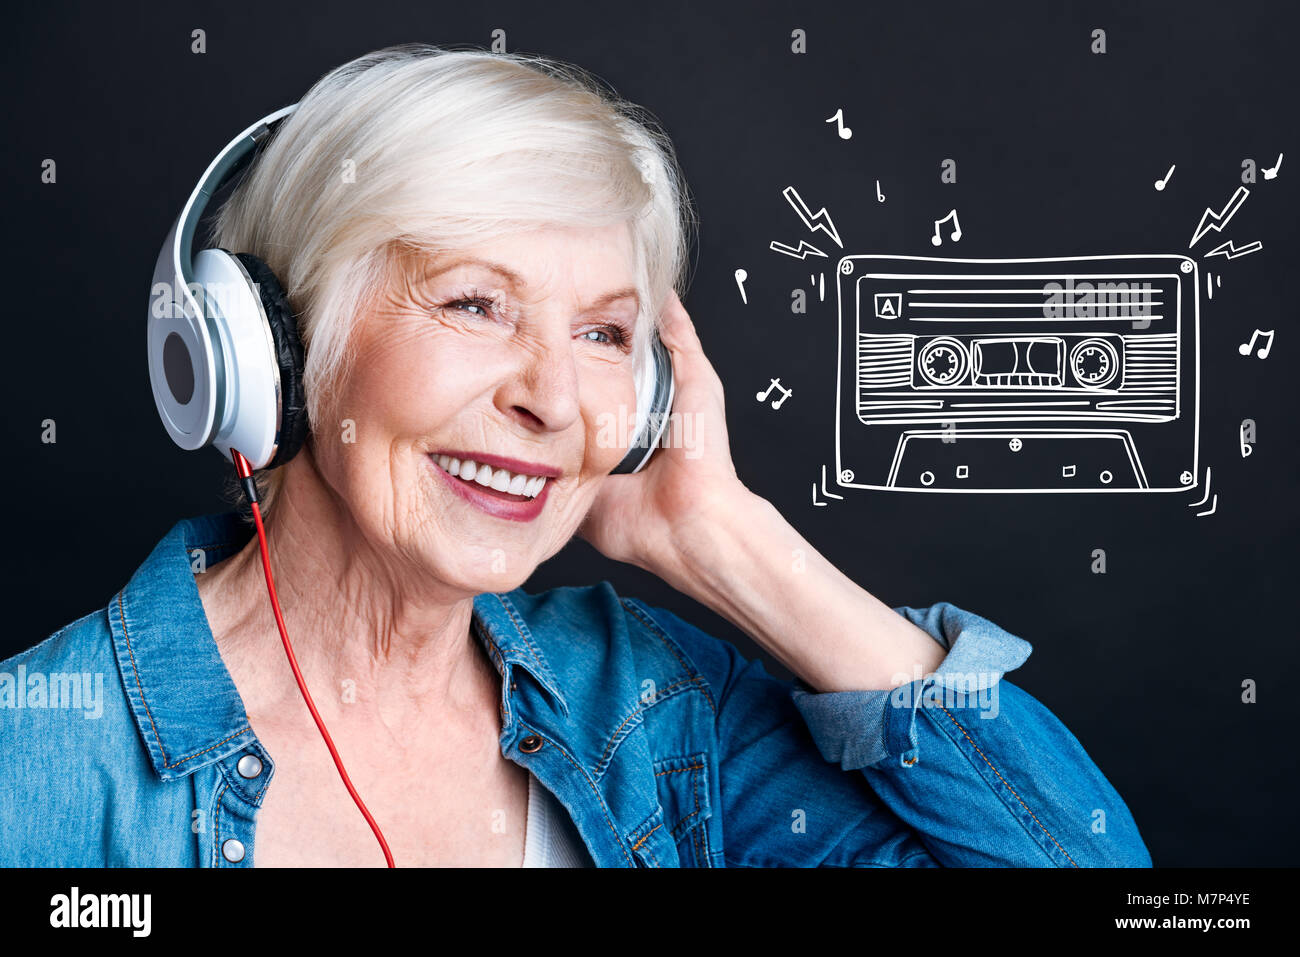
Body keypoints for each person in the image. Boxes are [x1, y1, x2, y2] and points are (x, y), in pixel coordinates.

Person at [0, 44, 1150, 867]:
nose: (554, 399)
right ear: (277, 354)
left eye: (603, 334)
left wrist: (723, 540)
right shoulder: (37, 760)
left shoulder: (648, 709)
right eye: (473, 305)